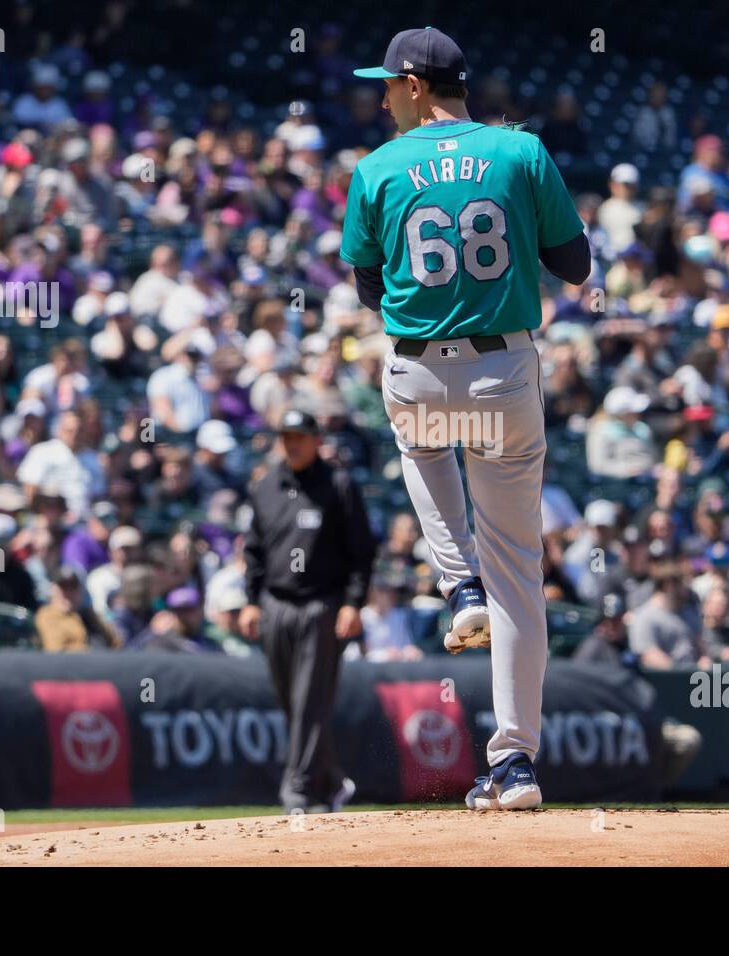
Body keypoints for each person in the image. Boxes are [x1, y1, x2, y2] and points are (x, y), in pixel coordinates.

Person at [344, 27, 590, 811]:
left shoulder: (379, 167)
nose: (381, 95)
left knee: (421, 453)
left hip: (418, 367)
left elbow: (365, 285)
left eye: (388, 83)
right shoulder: (520, 153)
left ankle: (456, 585)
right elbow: (575, 265)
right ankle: (514, 765)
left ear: (417, 85)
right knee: (521, 571)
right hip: (503, 371)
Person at [239, 409, 376, 814]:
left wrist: (353, 602)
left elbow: (362, 551)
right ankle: (330, 782)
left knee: (309, 700)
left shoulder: (337, 485)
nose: (292, 443)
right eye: (286, 436)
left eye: (300, 435)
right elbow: (254, 551)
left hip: (322, 605)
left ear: (317, 440)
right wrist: (250, 600)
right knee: (289, 700)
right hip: (276, 604)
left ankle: (297, 789)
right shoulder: (266, 487)